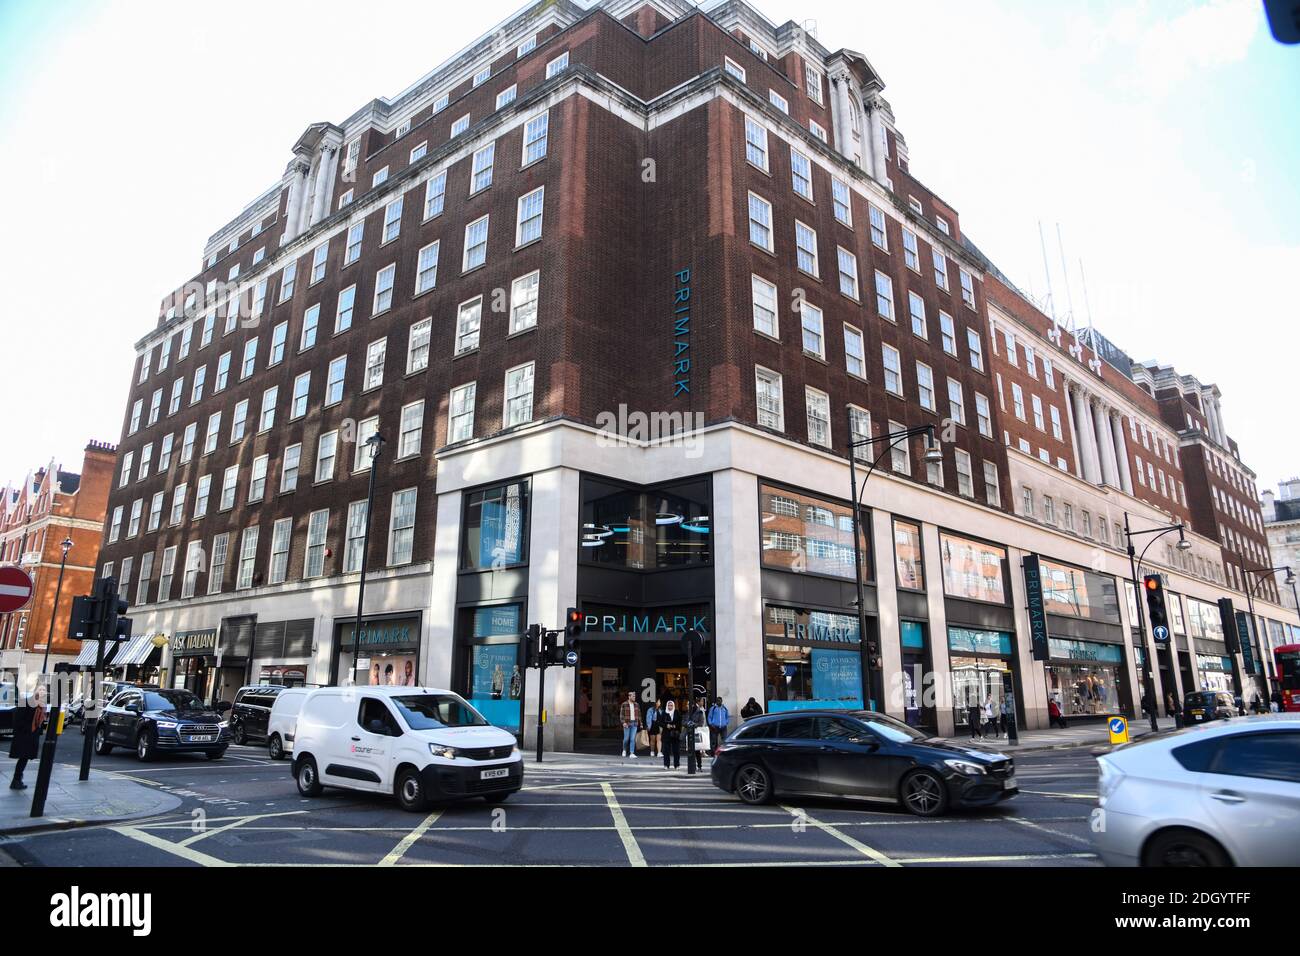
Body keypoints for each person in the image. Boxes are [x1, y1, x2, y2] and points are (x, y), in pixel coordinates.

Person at [7, 690, 45, 791]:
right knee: (23, 758)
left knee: (24, 758)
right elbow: (18, 720)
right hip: (24, 736)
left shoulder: (37, 706)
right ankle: (16, 780)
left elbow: (39, 722)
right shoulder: (27, 704)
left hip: (29, 736)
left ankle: (17, 780)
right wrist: (28, 731)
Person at [659, 699, 682, 769]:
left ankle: (677, 765)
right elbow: (660, 722)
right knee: (666, 750)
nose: (670, 707)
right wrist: (666, 726)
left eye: (671, 705)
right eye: (669, 705)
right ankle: (666, 765)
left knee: (676, 751)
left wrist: (675, 726)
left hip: (675, 734)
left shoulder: (676, 712)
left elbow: (680, 722)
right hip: (666, 734)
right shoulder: (664, 713)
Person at [619, 691, 640, 759]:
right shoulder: (624, 704)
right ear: (629, 696)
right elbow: (621, 715)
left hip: (634, 723)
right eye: (633, 696)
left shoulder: (637, 704)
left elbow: (639, 715)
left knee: (632, 738)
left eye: (635, 696)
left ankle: (632, 753)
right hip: (627, 723)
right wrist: (623, 722)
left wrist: (641, 723)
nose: (634, 697)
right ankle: (624, 750)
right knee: (626, 739)